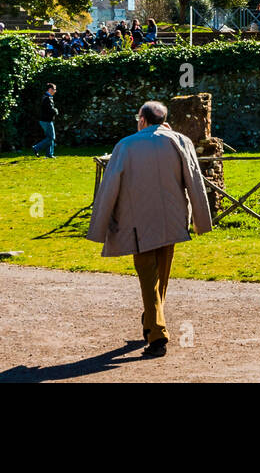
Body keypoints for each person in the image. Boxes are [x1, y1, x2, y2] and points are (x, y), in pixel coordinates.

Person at [87, 100, 213, 357]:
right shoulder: (181, 141)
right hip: (173, 220)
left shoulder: (125, 145)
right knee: (160, 278)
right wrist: (201, 221)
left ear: (142, 120)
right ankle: (151, 321)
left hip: (138, 223)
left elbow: (109, 187)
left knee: (148, 280)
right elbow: (195, 182)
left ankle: (157, 336)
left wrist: (100, 226)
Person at [33, 83, 58, 158]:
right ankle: (36, 147)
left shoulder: (45, 97)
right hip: (46, 121)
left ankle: (49, 154)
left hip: (44, 120)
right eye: (54, 89)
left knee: (49, 137)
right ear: (50, 89)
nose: (55, 91)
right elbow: (50, 110)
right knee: (51, 138)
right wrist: (56, 111)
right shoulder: (47, 98)